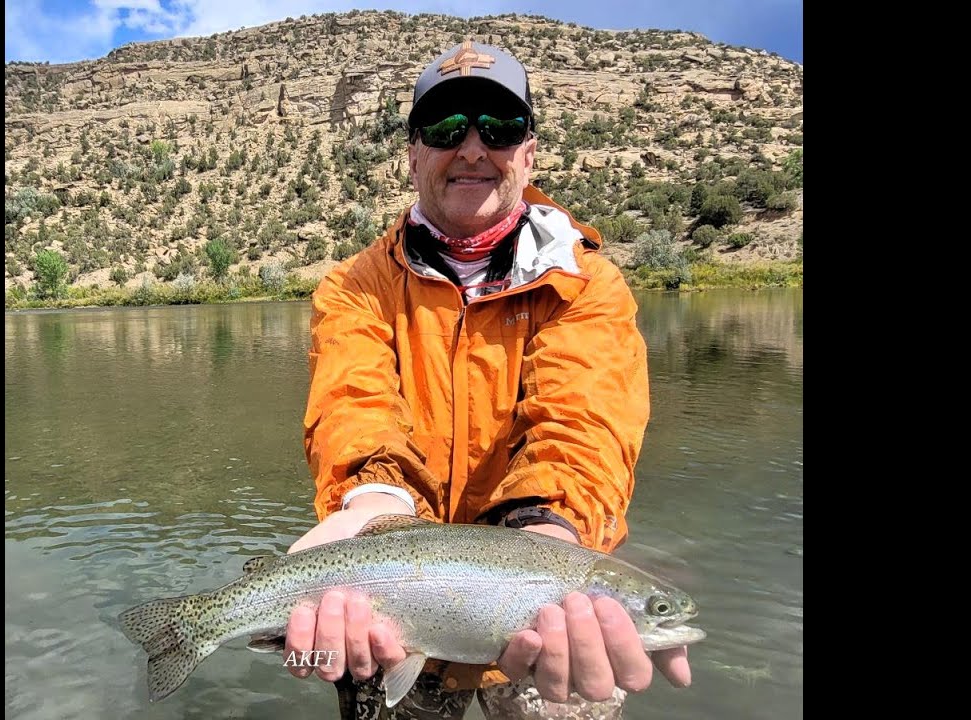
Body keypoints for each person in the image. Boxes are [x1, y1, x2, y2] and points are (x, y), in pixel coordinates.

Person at [284, 40, 692, 719]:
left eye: (498, 129)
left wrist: (553, 538)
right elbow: (355, 405)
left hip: (545, 624)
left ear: (528, 152)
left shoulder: (587, 284)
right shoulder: (354, 288)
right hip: (390, 616)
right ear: (413, 154)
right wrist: (370, 507)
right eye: (446, 129)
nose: (472, 148)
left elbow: (581, 425)